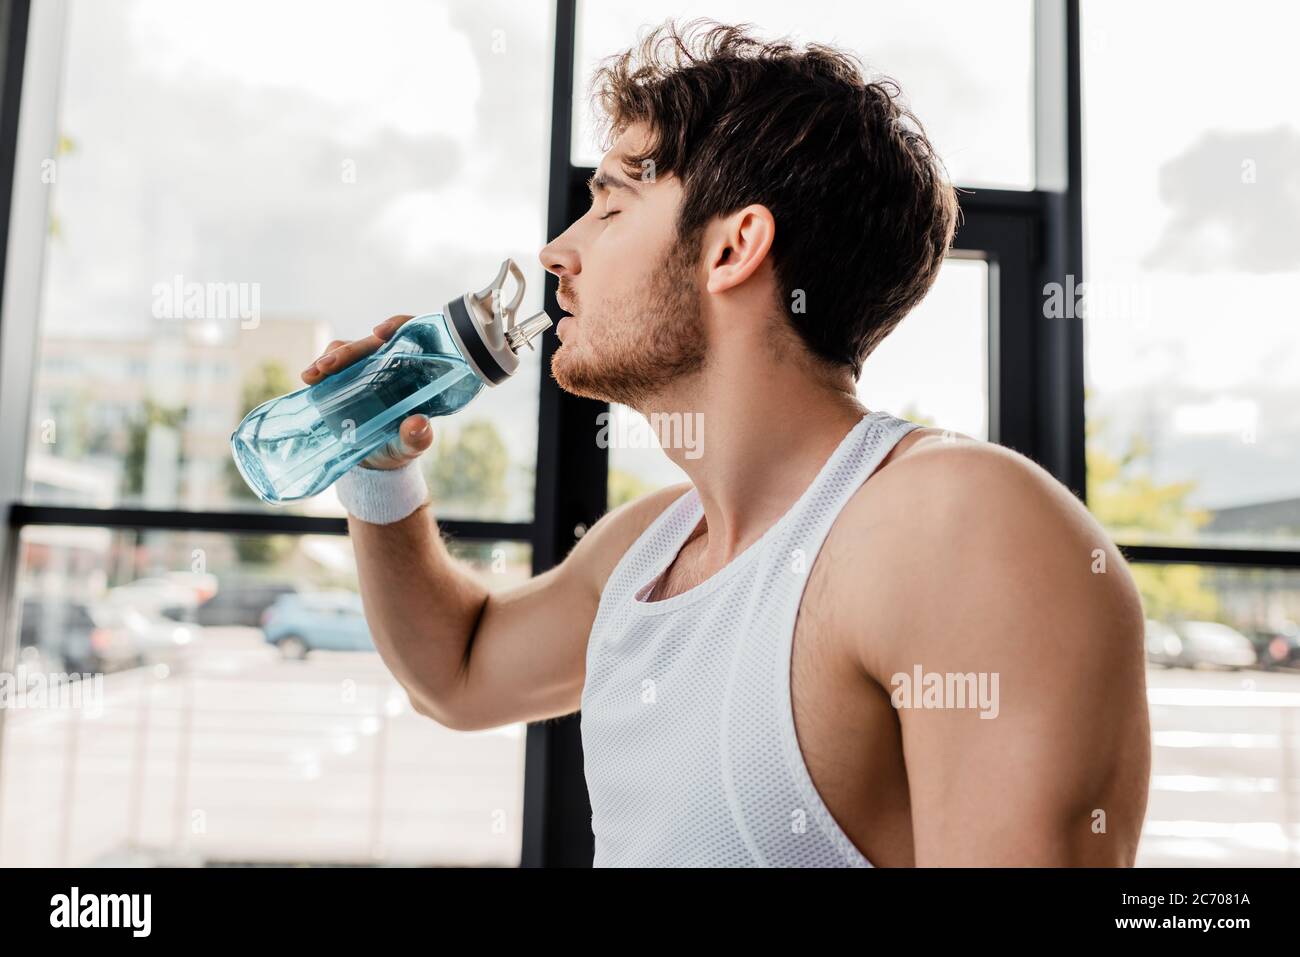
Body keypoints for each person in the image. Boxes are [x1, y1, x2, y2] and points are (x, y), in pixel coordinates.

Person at [302, 19, 1150, 867]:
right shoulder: (649, 545)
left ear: (734, 246)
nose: (560, 252)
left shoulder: (961, 525)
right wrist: (379, 471)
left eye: (610, 206)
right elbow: (458, 669)